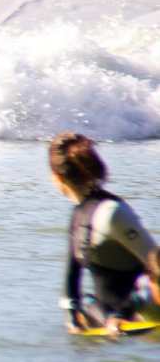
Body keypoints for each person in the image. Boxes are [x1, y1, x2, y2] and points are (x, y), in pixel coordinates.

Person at [49, 132, 160, 334]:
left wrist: (125, 312)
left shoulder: (112, 212)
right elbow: (71, 279)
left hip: (145, 309)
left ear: (56, 177)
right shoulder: (77, 216)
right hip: (111, 319)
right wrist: (72, 320)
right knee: (86, 305)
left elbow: (156, 265)